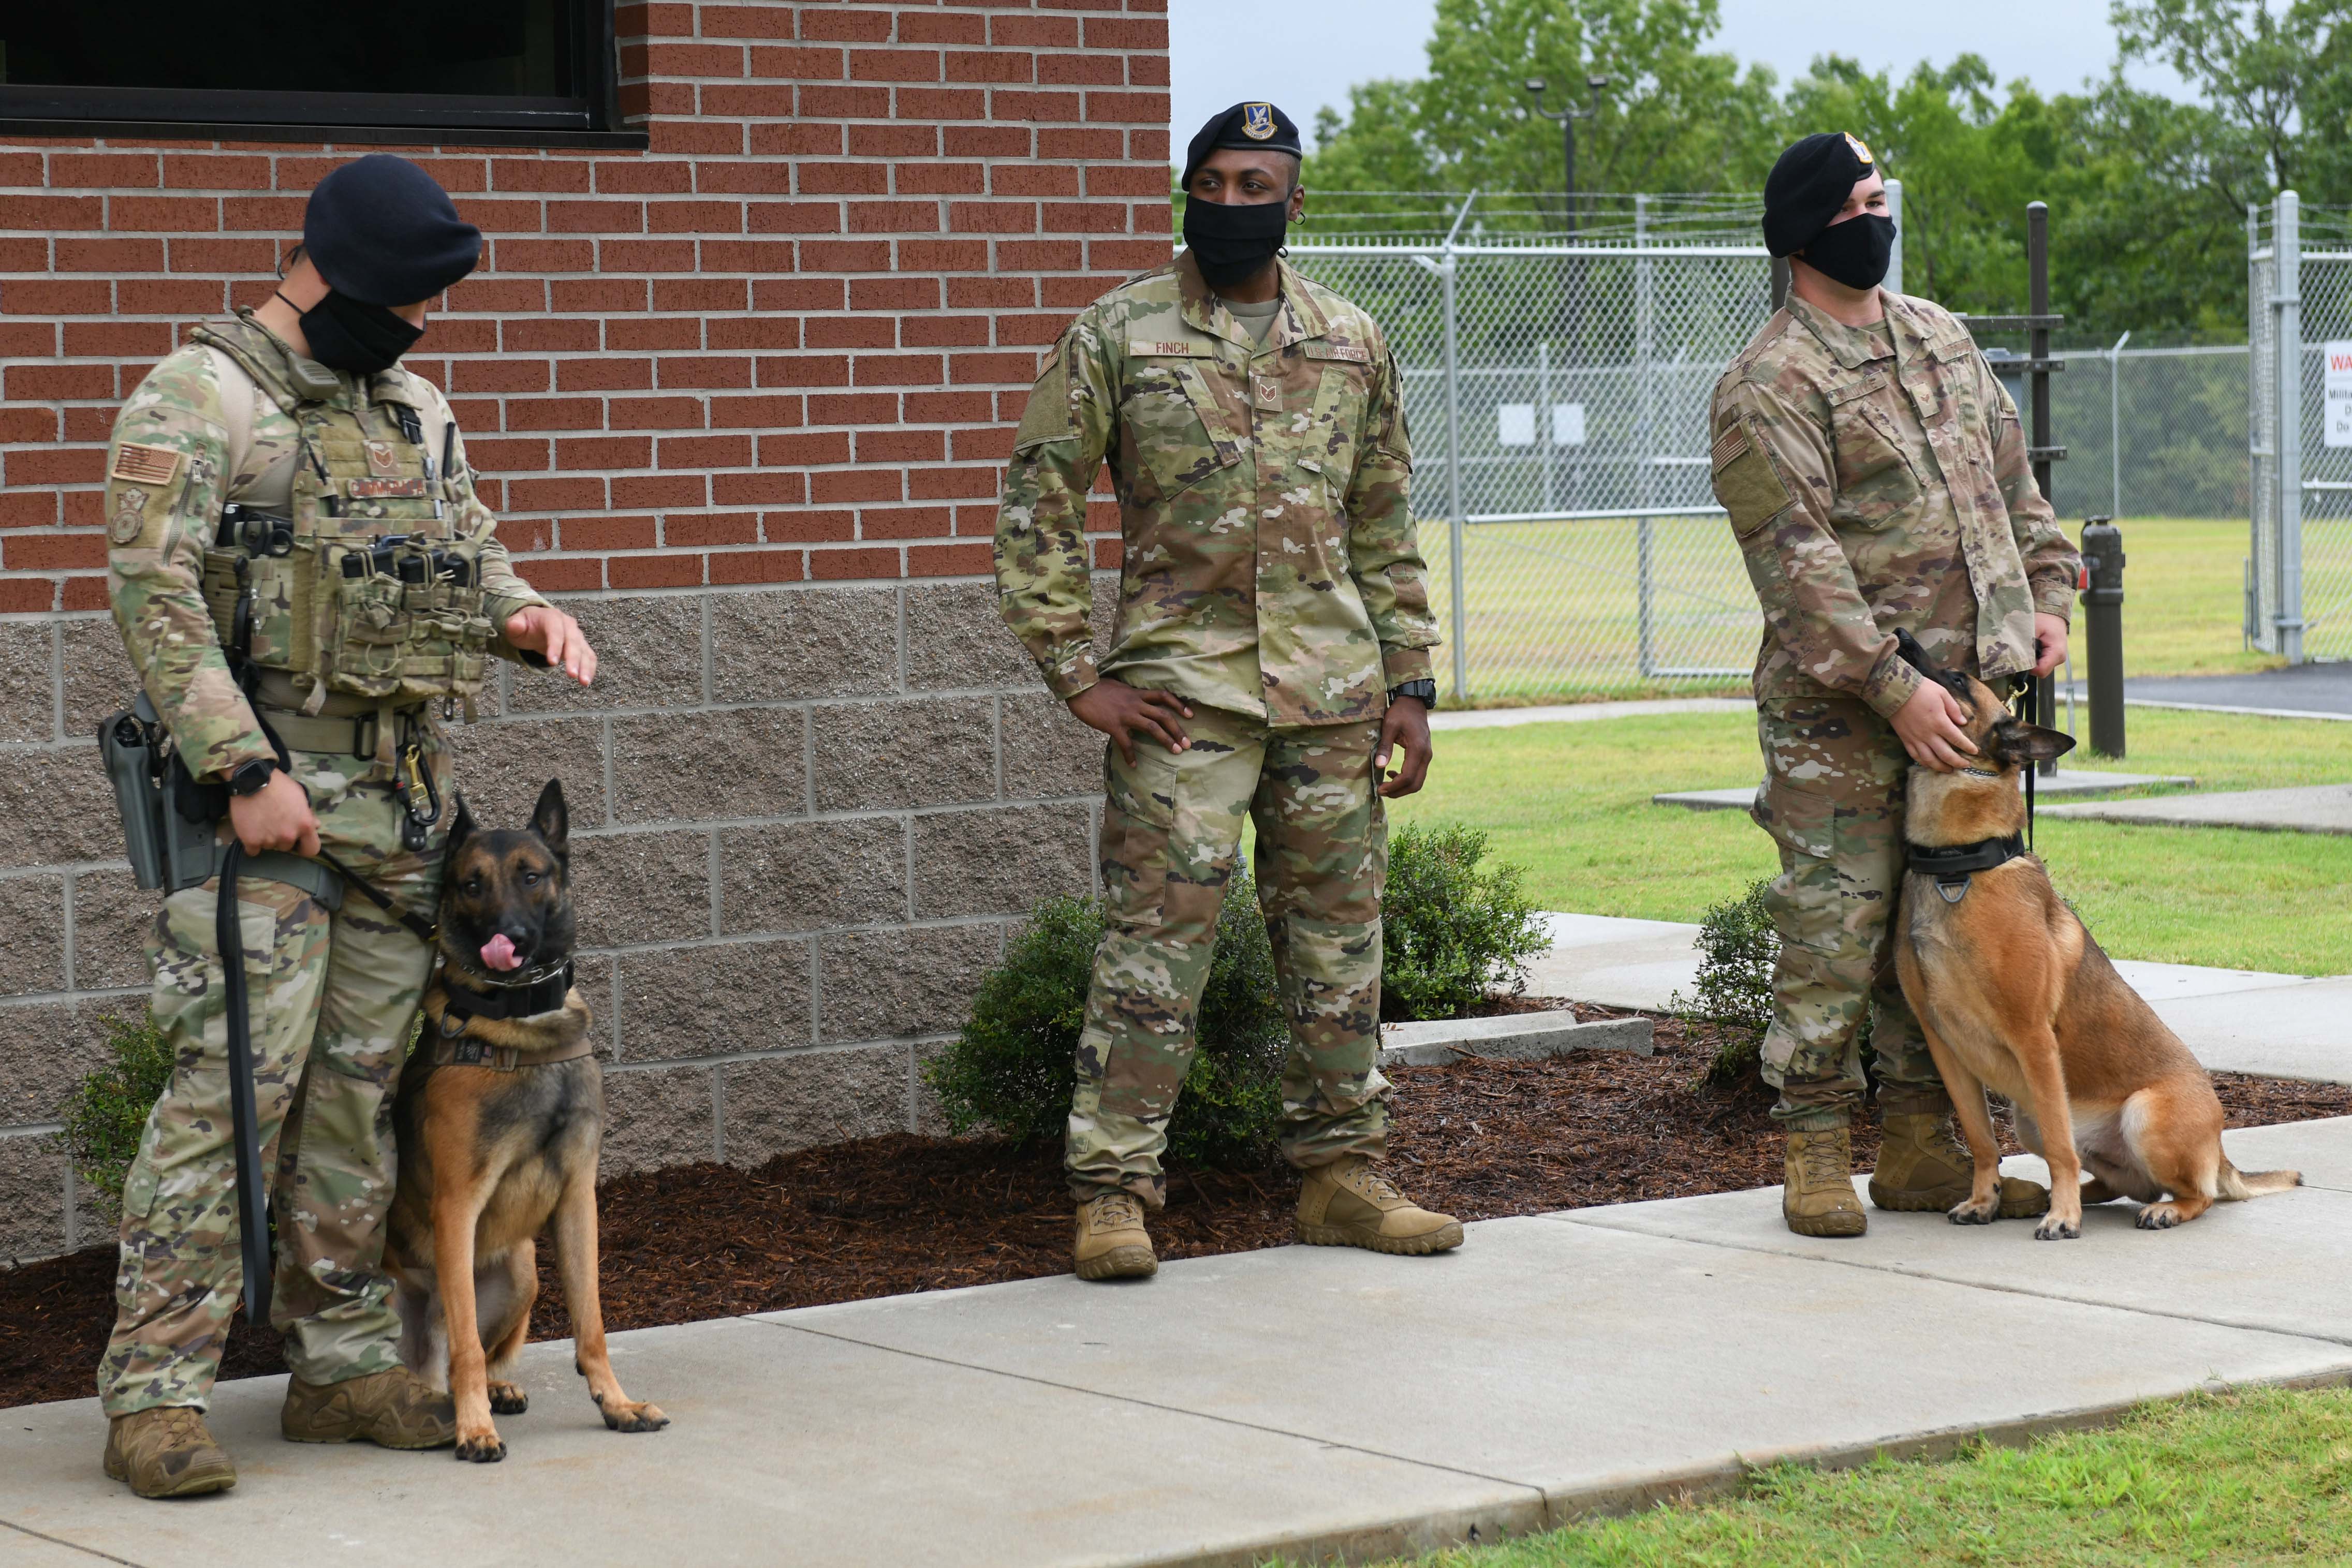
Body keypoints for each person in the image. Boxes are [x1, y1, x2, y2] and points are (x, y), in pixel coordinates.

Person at [97, 154, 598, 1496]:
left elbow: (471, 547)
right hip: (263, 821)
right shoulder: (201, 396)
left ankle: (345, 1365)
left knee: (359, 1104)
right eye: (412, 297)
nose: (425, 322)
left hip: (401, 826)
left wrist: (522, 613)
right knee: (226, 1100)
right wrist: (239, 765)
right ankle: (156, 1397)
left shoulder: (414, 407)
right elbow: (152, 590)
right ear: (337, 275)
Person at [995, 101, 1462, 1281]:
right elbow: (1038, 501)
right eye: (1212, 182)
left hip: (1333, 696)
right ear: (1186, 192)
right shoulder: (1117, 333)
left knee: (1338, 948)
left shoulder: (1352, 339)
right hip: (1182, 698)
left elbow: (1384, 520)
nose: (1232, 203)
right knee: (1156, 947)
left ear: (1296, 202)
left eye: (1257, 186)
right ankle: (1113, 1192)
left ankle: (1343, 1177)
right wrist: (1076, 676)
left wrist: (1410, 682)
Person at [1708, 132, 2081, 1237]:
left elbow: (2011, 481)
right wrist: (1890, 685)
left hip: (1969, 707)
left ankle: (1926, 1147)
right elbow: (1796, 561)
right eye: (1858, 206)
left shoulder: (1938, 336)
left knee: (1953, 926)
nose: (1879, 221)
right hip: (1842, 716)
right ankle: (1816, 1149)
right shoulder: (1769, 381)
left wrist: (2046, 595)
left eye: (1881, 201)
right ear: (1806, 232)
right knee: (1841, 926)